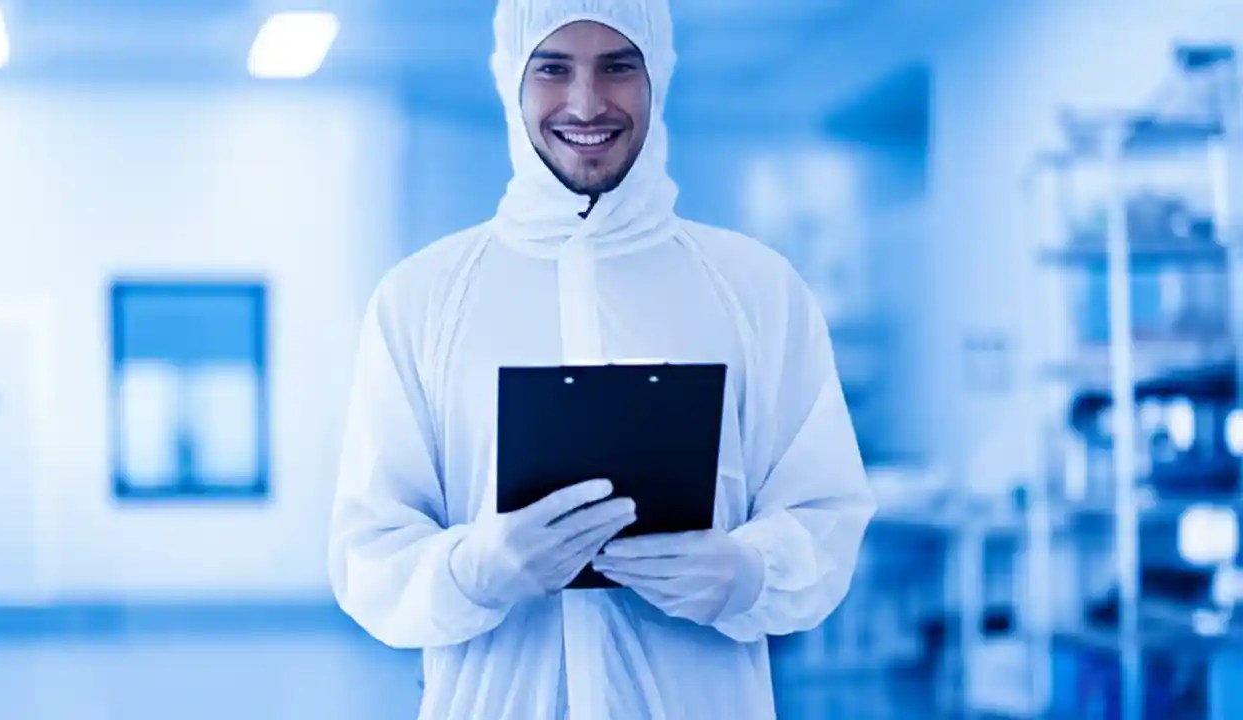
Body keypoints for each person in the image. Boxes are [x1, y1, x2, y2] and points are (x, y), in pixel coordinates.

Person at [328, 1, 876, 717]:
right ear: (510, 82)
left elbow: (825, 511)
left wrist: (749, 572)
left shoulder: (757, 291)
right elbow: (369, 553)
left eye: (618, 66)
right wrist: (475, 572)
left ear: (659, 79)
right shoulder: (422, 299)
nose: (586, 102)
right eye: (553, 68)